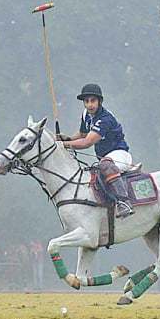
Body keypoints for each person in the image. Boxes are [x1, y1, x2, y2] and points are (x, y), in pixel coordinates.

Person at [60, 83, 135, 218]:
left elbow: (87, 142)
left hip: (120, 154)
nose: (89, 105)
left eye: (93, 101)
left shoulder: (105, 119)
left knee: (105, 165)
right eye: (86, 101)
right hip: (104, 158)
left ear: (99, 101)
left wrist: (62, 144)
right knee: (98, 168)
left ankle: (124, 202)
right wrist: (68, 138)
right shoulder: (86, 114)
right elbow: (83, 134)